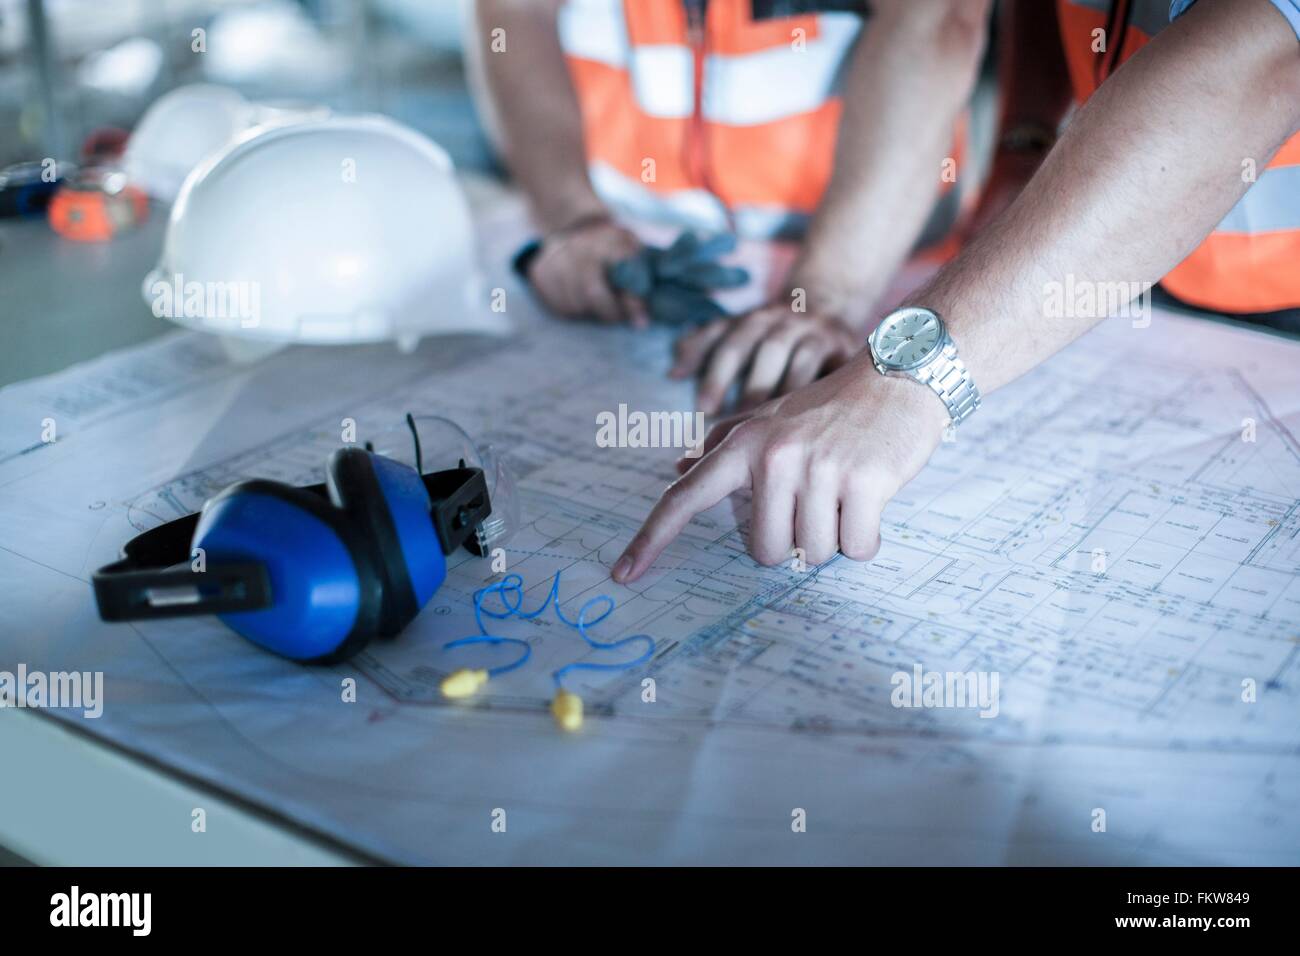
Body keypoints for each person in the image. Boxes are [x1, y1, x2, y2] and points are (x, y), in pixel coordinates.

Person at [610, 0, 1300, 583]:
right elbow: (940, 14)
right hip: (1118, 278)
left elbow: (1257, 47)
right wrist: (829, 294)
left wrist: (901, 381)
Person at [475, 0, 993, 409]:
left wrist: (828, 294)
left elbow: (935, 15)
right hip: (632, 228)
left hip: (877, 264)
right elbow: (517, 9)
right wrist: (575, 219)